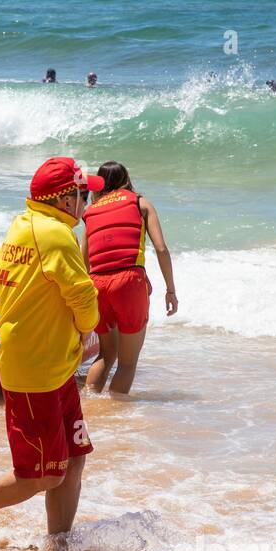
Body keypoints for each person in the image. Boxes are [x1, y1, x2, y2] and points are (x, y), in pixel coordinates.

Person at [0, 157, 101, 551]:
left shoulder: (22, 226)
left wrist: (32, 307)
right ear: (66, 199)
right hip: (35, 371)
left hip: (55, 367)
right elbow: (83, 295)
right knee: (41, 476)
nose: (86, 201)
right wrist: (88, 328)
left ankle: (59, 548)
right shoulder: (56, 235)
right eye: (83, 193)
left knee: (73, 460)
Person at [82, 161, 178, 395]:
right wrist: (170, 290)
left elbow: (84, 260)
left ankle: (90, 405)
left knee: (106, 354)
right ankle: (116, 414)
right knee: (127, 363)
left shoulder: (90, 212)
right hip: (128, 281)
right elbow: (161, 249)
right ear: (126, 180)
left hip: (97, 284)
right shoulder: (140, 203)